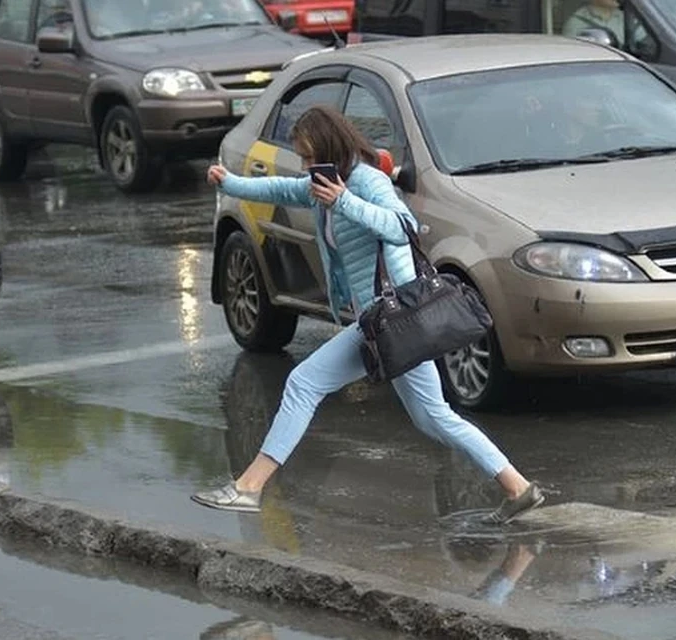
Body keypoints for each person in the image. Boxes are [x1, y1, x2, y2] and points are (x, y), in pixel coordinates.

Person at [193, 106, 545, 525]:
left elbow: (402, 226)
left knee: (304, 383)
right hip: (384, 324)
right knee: (433, 417)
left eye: (309, 156)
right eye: (303, 159)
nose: (306, 166)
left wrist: (346, 201)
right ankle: (518, 488)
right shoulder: (321, 184)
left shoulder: (365, 181)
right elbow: (283, 190)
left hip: (389, 318)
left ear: (329, 147)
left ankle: (249, 487)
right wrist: (230, 182)